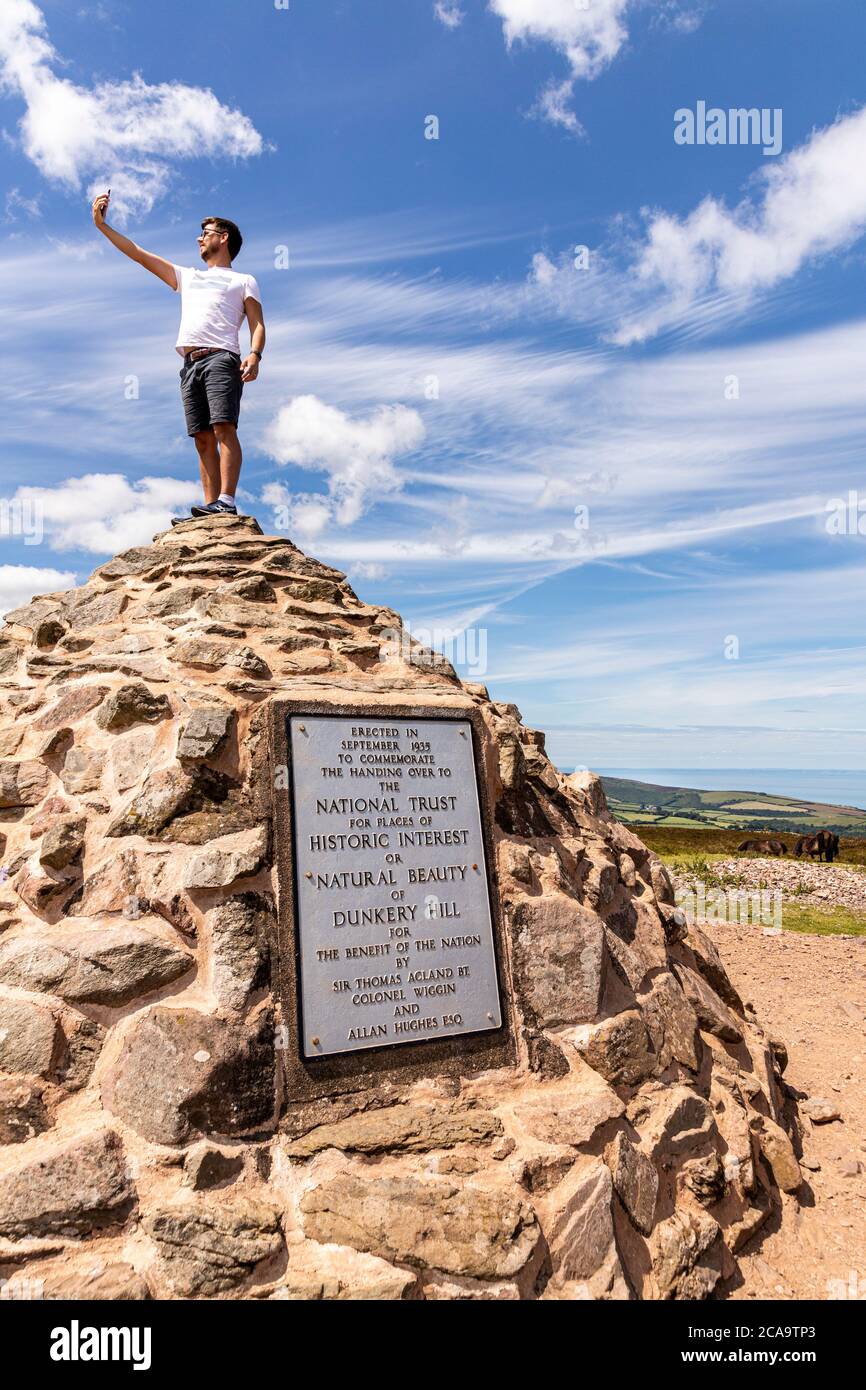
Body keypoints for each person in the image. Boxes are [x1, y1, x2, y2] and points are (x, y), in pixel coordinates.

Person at [91, 193, 265, 520]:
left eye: (207, 233)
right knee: (201, 438)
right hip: (189, 365)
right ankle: (210, 507)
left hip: (222, 358)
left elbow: (257, 324)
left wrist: (254, 354)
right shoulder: (189, 276)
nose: (200, 239)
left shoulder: (243, 280)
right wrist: (103, 226)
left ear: (223, 238)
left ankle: (226, 501)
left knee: (223, 426)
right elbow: (139, 255)